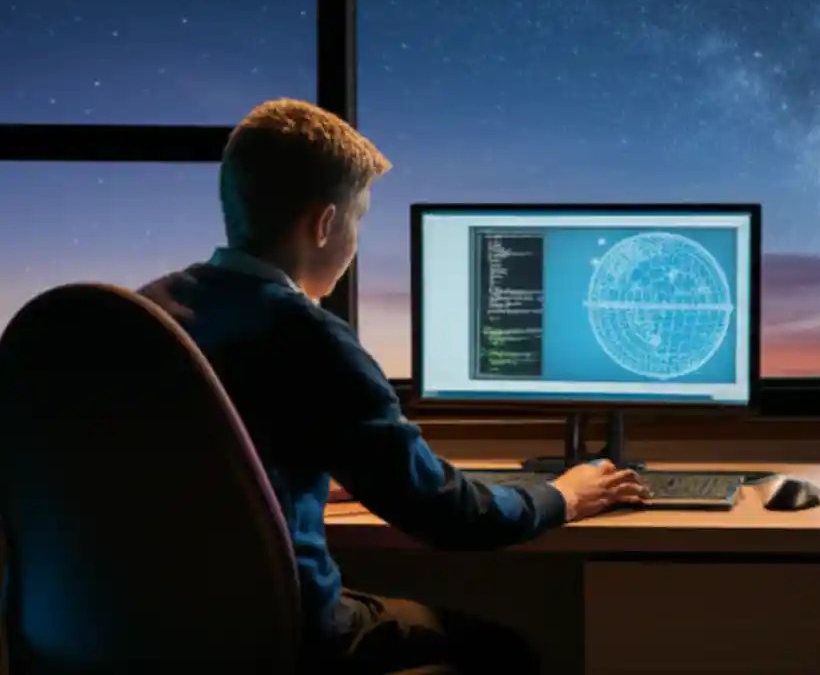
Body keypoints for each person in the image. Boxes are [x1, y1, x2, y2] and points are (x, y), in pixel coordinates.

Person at [137, 98, 647, 674]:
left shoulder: (143, 312)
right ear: (325, 224)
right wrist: (565, 496)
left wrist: (284, 483)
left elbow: (191, 464)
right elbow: (449, 514)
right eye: (357, 222)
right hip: (283, 637)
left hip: (129, 631)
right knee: (503, 653)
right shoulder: (308, 337)